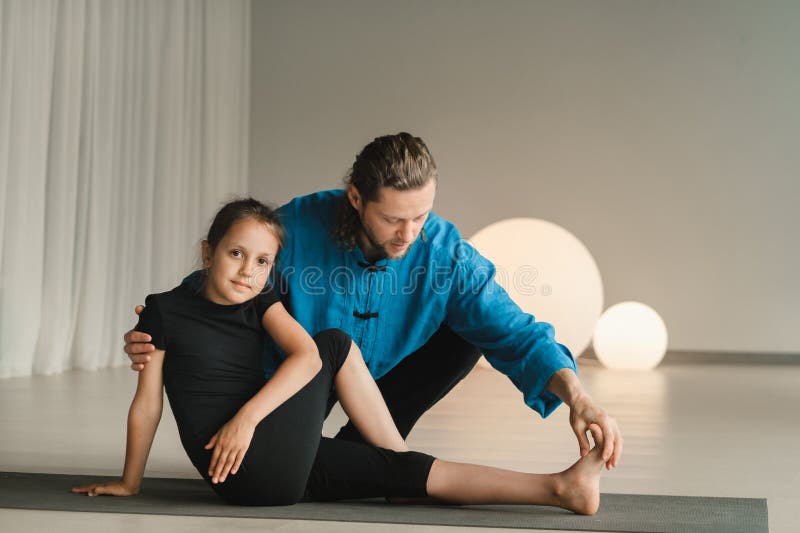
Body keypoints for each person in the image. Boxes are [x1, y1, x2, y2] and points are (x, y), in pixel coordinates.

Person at [125, 132, 622, 471]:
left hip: (380, 390)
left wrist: (579, 397)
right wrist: (159, 326)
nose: (409, 234)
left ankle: (366, 453)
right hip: (290, 384)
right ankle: (352, 462)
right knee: (328, 349)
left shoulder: (445, 253)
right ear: (357, 198)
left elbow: (516, 331)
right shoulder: (297, 226)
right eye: (393, 220)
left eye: (421, 217)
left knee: (465, 337)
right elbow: (227, 274)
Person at [75, 198, 608, 513]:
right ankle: (398, 458)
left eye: (263, 261)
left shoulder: (262, 301)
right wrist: (129, 482)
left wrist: (247, 417)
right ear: (207, 252)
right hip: (243, 464)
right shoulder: (166, 311)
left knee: (394, 474)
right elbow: (148, 405)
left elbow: (301, 359)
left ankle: (560, 488)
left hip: (262, 460)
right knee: (333, 343)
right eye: (236, 254)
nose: (248, 270)